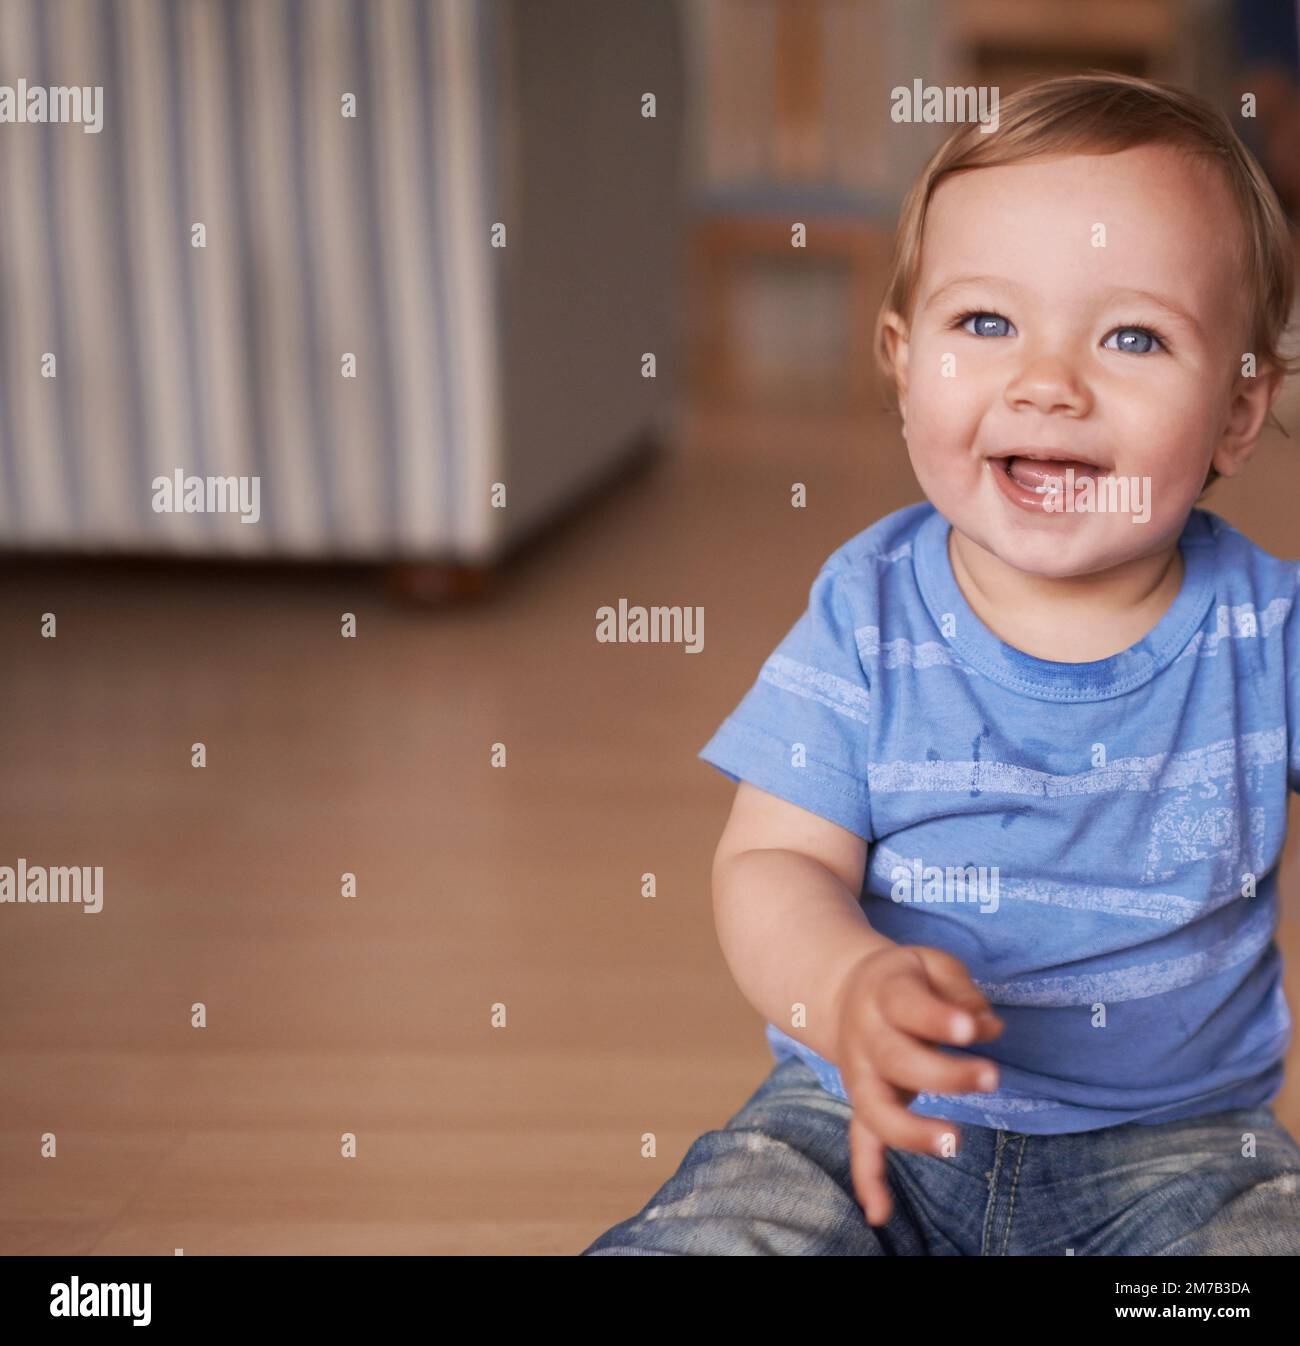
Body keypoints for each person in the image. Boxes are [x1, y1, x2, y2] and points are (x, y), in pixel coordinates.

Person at [583, 72, 1300, 1255]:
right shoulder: (866, 613)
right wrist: (846, 984)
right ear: (901, 359)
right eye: (984, 323)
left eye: (1132, 335)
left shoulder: (1264, 633)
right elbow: (771, 860)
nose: (1049, 380)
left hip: (1181, 1153)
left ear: (1238, 408)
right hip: (861, 1119)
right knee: (729, 1228)